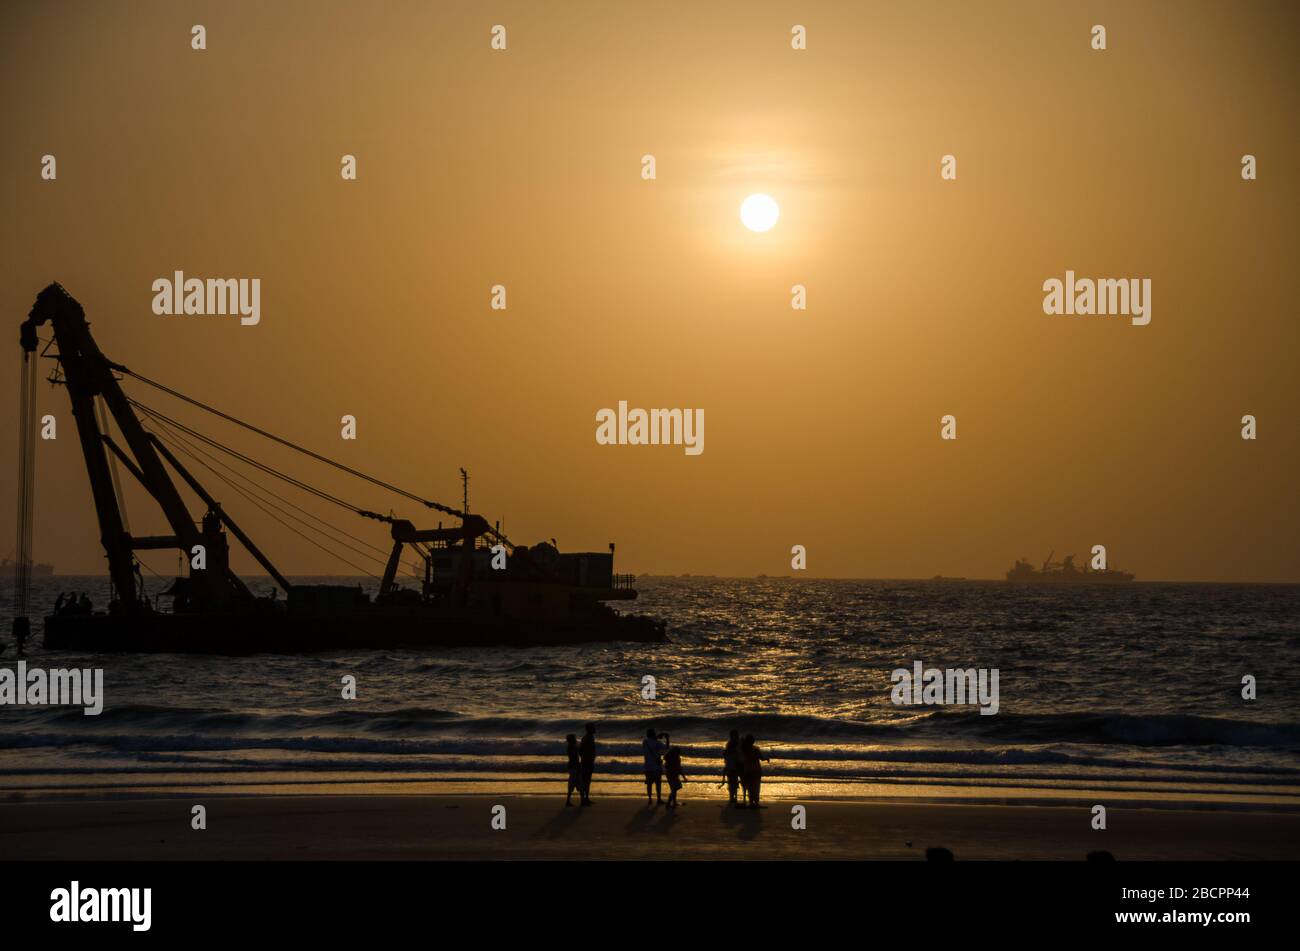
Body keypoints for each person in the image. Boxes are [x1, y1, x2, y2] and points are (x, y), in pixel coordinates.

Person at [741, 734, 770, 808]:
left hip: (747, 770)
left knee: (750, 787)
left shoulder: (744, 749)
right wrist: (767, 758)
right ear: (753, 741)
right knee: (756, 787)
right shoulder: (756, 749)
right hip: (756, 770)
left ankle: (751, 802)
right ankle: (756, 803)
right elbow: (761, 758)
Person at [642, 728, 666, 804]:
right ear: (654, 734)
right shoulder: (657, 743)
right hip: (656, 766)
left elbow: (651, 741)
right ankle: (658, 799)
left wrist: (657, 737)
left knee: (649, 784)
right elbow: (666, 748)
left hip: (647, 767)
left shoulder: (645, 742)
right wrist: (667, 739)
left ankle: (650, 799)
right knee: (658, 784)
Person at [663, 735, 687, 808]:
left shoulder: (669, 757)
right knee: (675, 788)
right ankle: (668, 803)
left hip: (668, 774)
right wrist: (684, 777)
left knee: (673, 788)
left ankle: (674, 803)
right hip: (674, 774)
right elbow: (679, 768)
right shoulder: (676, 758)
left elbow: (667, 766)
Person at [577, 722, 597, 806]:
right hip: (587, 762)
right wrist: (586, 759)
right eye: (593, 728)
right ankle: (583, 799)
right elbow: (581, 750)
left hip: (587, 761)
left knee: (587, 781)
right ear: (589, 729)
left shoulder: (588, 737)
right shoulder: (588, 738)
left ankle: (586, 799)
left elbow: (580, 750)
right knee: (585, 781)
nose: (595, 729)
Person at [723, 729, 743, 807]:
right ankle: (733, 797)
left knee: (733, 782)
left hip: (734, 764)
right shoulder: (732, 744)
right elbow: (728, 754)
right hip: (732, 765)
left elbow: (726, 754)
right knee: (733, 781)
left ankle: (733, 797)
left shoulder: (731, 743)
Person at [565, 733, 581, 807]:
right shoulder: (571, 748)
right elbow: (575, 753)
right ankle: (568, 801)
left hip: (573, 767)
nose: (576, 740)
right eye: (574, 739)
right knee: (573, 783)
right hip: (573, 767)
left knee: (577, 783)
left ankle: (569, 801)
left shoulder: (571, 747)